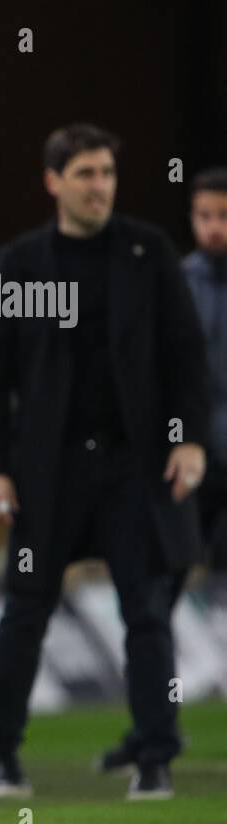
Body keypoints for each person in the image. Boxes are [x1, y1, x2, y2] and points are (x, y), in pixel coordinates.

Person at [0, 124, 209, 801]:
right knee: (26, 611)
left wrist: (188, 438)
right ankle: (0, 753)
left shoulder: (148, 250)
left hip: (136, 468)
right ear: (53, 182)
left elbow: (186, 356)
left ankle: (155, 757)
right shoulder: (18, 263)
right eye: (84, 173)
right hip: (47, 473)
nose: (99, 185)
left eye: (106, 172)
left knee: (147, 613)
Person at [182, 167, 227, 581]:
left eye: (223, 216)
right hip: (194, 451)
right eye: (204, 216)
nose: (213, 228)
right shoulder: (178, 285)